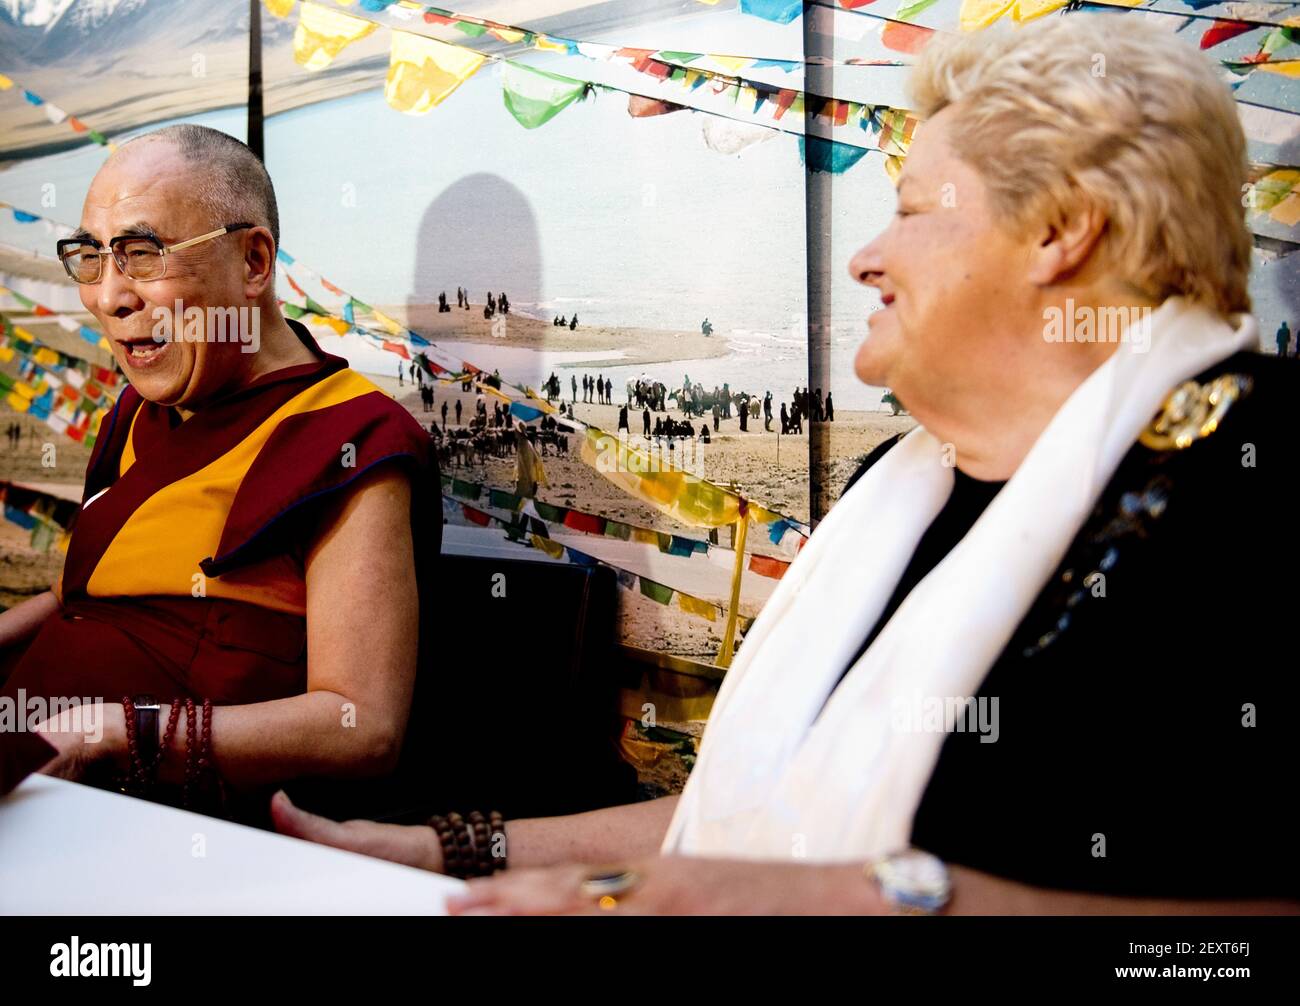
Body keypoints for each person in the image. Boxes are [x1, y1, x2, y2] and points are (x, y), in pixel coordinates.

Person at [273, 17, 1297, 914]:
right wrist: (438, 852)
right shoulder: (895, 493)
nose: (865, 256)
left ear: (1061, 232)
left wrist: (891, 905)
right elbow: (752, 831)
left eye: (911, 208)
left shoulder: (1251, 481)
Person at [0, 125, 439, 821]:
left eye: (142, 255)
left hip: (171, 824)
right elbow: (81, 595)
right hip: (30, 781)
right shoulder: (138, 414)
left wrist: (115, 731)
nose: (110, 298)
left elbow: (363, 725)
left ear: (254, 261)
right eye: (90, 257)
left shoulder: (349, 440)